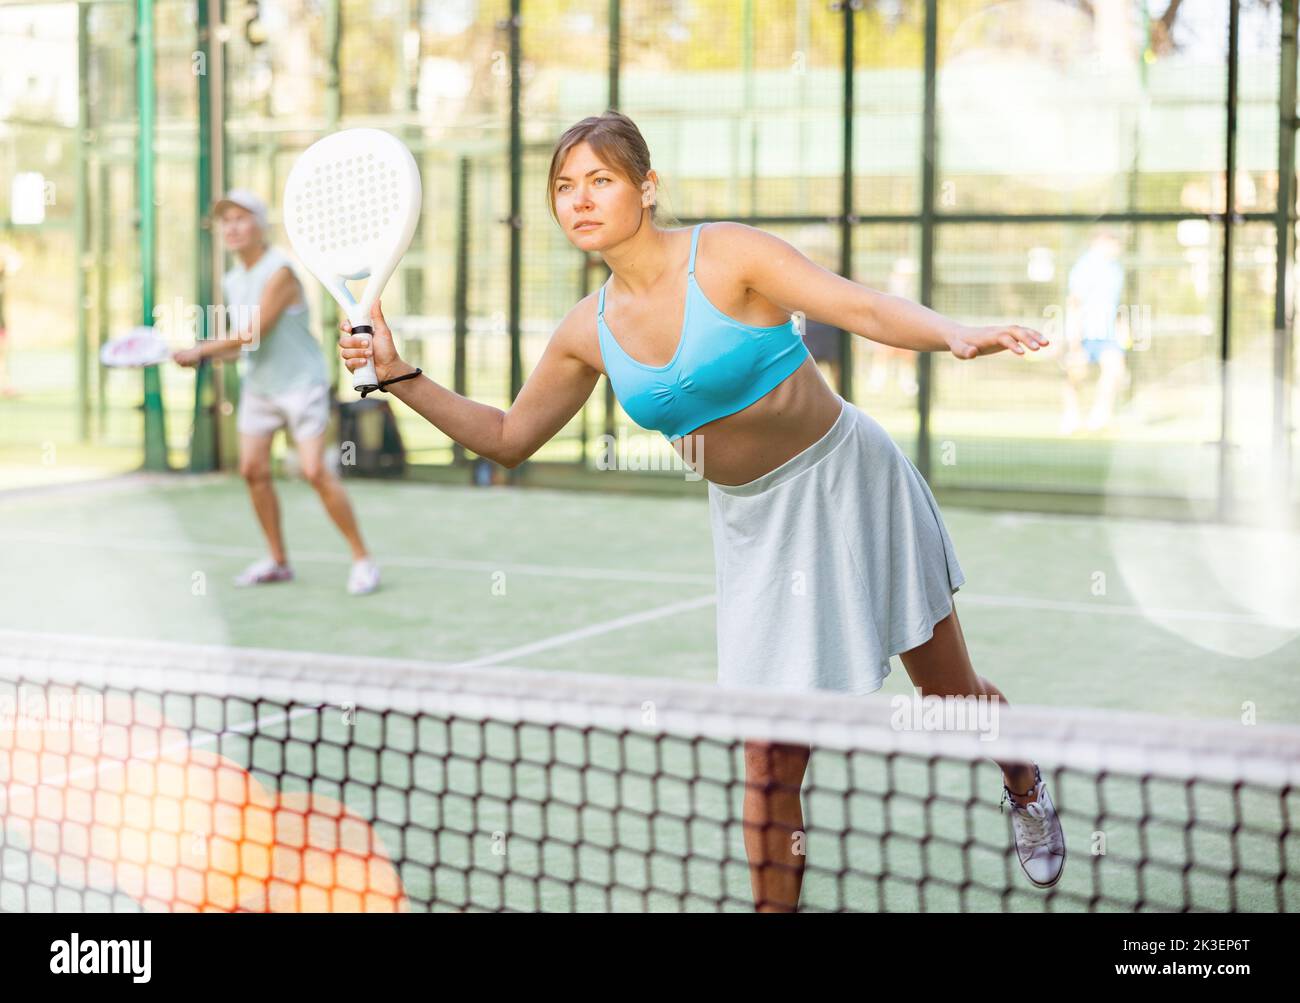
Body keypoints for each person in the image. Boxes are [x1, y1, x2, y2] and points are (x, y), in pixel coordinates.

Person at [338, 111, 1065, 909]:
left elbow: (859, 307)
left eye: (600, 180)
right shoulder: (588, 329)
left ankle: (1022, 778)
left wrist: (953, 334)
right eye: (563, 187)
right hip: (755, 528)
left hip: (851, 484)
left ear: (646, 188)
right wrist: (399, 372)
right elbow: (509, 437)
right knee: (769, 759)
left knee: (949, 699)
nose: (578, 199)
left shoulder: (729, 257)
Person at [174, 189, 380, 595]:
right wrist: (206, 354)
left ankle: (362, 559)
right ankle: (278, 561)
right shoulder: (232, 280)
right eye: (225, 220)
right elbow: (243, 347)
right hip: (261, 386)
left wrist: (199, 350)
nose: (231, 227)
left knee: (314, 471)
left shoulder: (281, 270)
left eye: (240, 218)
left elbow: (253, 332)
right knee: (252, 470)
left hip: (301, 383)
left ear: (259, 225)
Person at [1060, 229, 1129, 435]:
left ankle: (1100, 417)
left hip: (1107, 333)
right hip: (1084, 332)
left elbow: (1115, 303)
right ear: (1100, 241)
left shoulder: (1116, 269)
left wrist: (1121, 326)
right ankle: (1070, 417)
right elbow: (1074, 302)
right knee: (1075, 375)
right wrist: (1074, 340)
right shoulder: (1085, 266)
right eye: (1114, 242)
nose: (1118, 247)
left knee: (1115, 370)